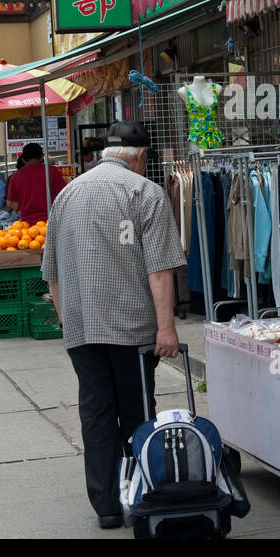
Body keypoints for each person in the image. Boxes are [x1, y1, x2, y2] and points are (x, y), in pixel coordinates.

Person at [41, 121, 185, 529]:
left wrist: (68, 318)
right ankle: (143, 495)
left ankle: (106, 506)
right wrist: (166, 329)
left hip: (82, 330)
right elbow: (159, 270)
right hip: (132, 329)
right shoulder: (145, 192)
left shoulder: (67, 194)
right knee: (137, 410)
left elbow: (51, 270)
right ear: (141, 157)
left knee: (96, 412)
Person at [6, 142, 67, 225]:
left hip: (26, 227)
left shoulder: (15, 176)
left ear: (23, 159)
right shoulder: (52, 171)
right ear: (42, 156)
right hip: (49, 222)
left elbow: (14, 206)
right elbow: (64, 195)